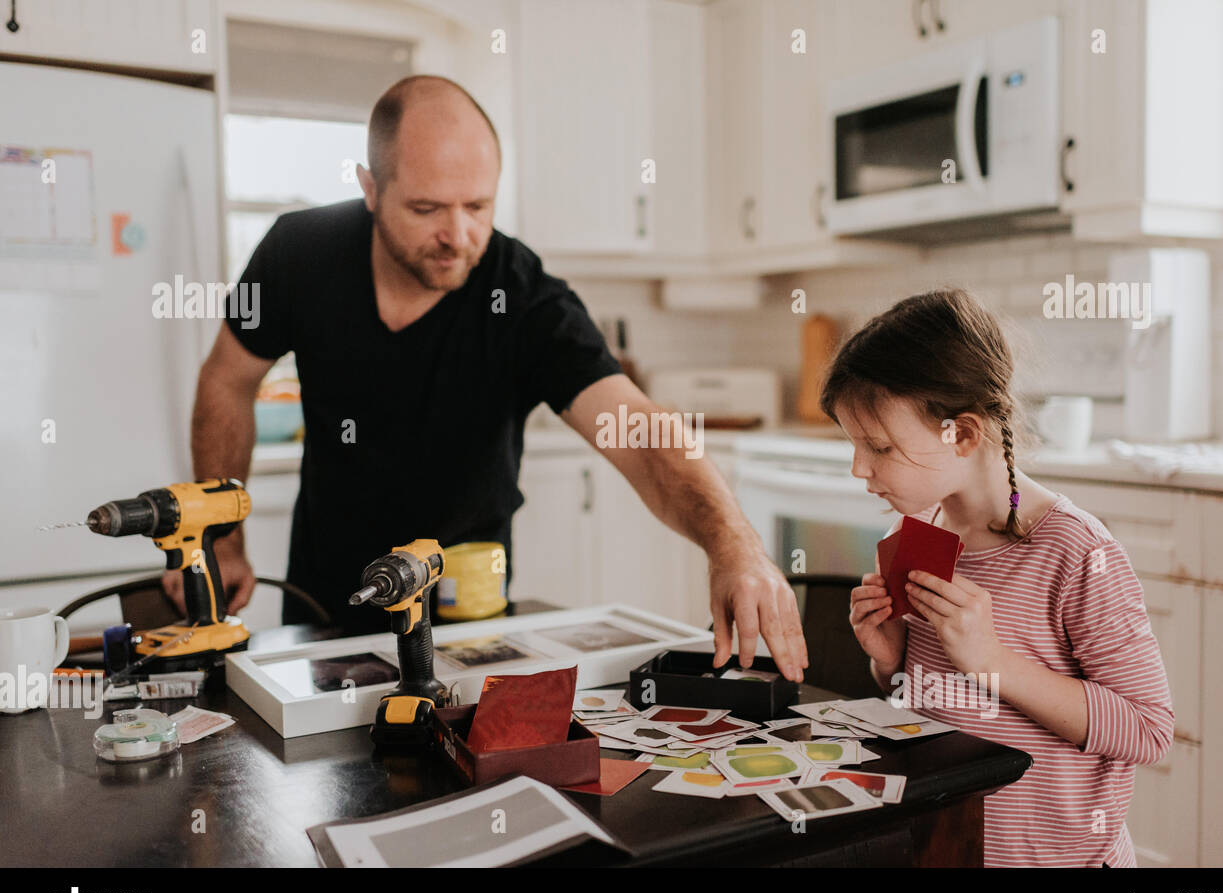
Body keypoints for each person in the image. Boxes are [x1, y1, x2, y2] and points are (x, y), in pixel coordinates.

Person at [164, 75, 806, 681]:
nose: (459, 234)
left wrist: (733, 545)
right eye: (426, 208)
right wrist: (223, 540)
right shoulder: (299, 254)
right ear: (370, 186)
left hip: (465, 616)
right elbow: (227, 382)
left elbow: (637, 429)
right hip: (326, 599)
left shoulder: (523, 295)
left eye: (478, 205)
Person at [830, 288, 1174, 866]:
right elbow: (925, 710)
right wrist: (889, 663)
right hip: (950, 850)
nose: (859, 468)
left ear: (961, 435)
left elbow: (1146, 730)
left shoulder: (1075, 551)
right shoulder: (909, 539)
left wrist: (993, 663)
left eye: (878, 447)